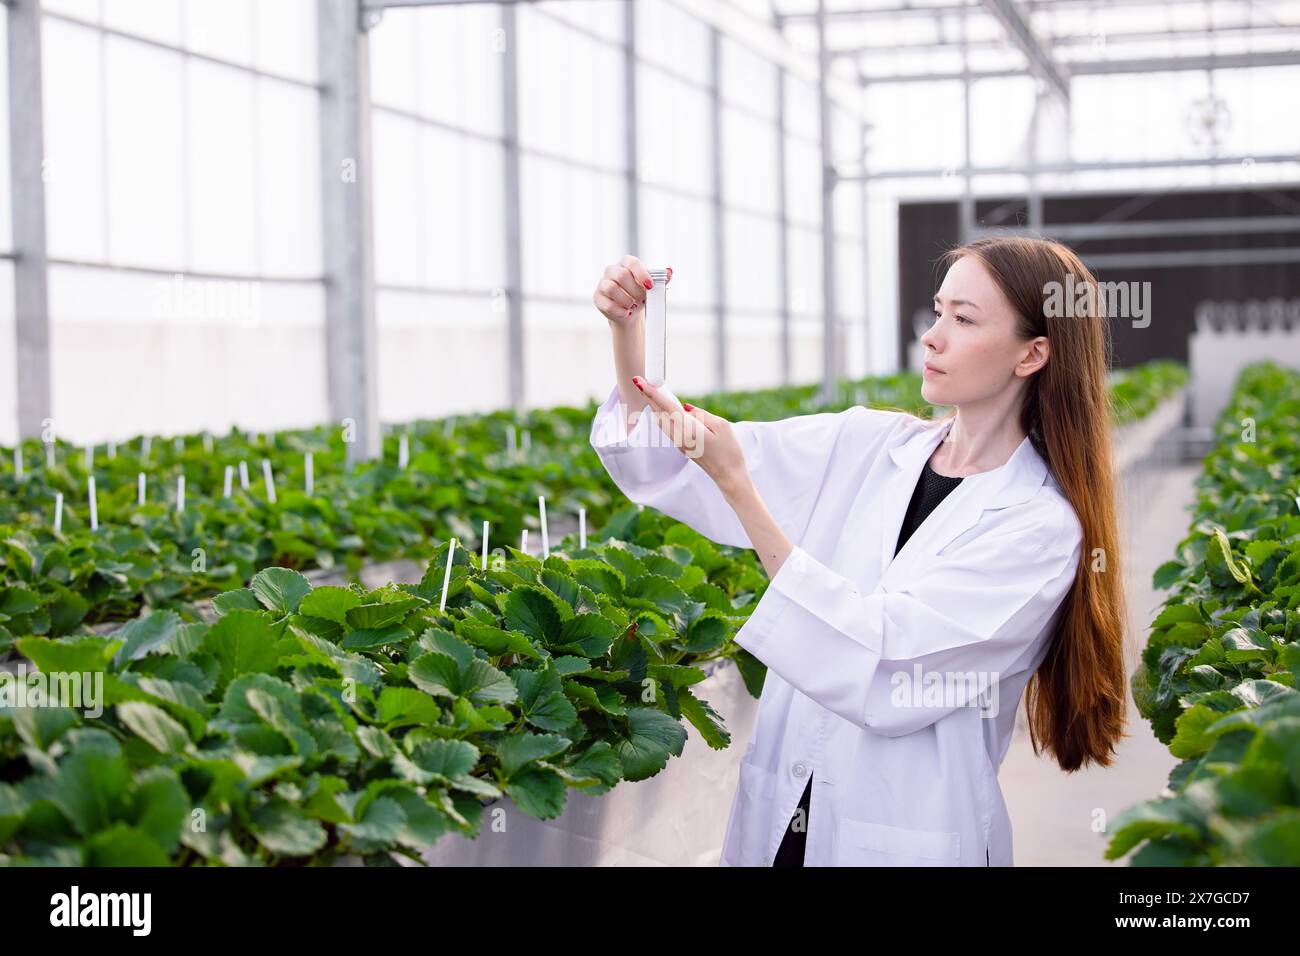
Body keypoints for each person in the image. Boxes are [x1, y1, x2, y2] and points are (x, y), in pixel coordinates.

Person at [587, 238, 1128, 866]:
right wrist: (629, 334)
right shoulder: (871, 443)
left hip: (907, 838)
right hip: (786, 822)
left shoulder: (1037, 527)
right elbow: (669, 463)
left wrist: (740, 489)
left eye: (965, 318)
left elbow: (886, 668)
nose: (933, 336)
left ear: (1032, 354)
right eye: (938, 310)